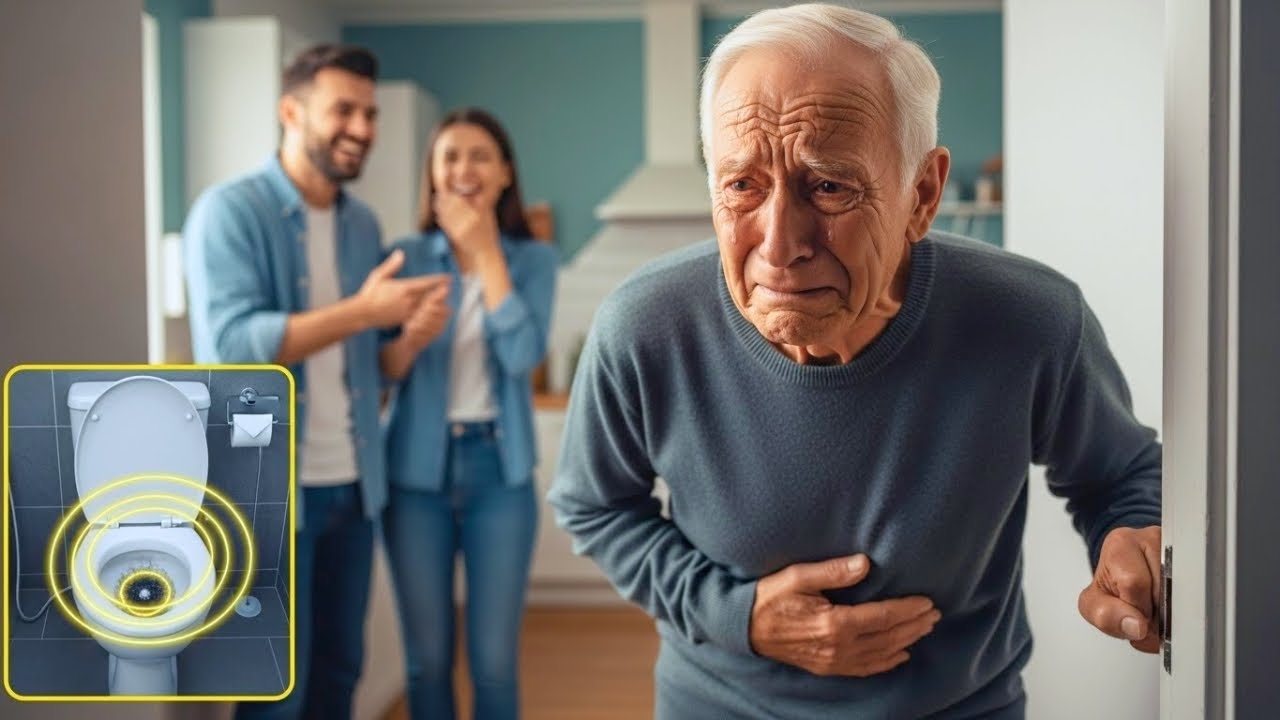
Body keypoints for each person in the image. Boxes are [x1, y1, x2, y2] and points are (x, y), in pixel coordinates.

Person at [547, 4, 1163, 719]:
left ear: (922, 194)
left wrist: (1130, 540)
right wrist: (736, 615)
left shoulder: (1030, 319)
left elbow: (1119, 476)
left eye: (829, 186)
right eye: (742, 186)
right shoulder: (643, 325)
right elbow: (593, 505)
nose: (779, 246)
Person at [184, 44, 444, 719]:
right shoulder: (228, 212)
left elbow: (373, 368)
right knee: (276, 691)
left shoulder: (362, 225)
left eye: (371, 113)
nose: (363, 128)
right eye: (344, 110)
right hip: (269, 493)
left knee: (339, 673)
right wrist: (364, 311)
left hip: (355, 487)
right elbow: (235, 349)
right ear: (291, 111)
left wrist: (408, 334)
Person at [378, 107, 558, 720]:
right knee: (426, 660)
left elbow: (523, 356)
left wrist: (486, 254)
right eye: (450, 155)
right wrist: (407, 342)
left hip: (499, 476)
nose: (464, 168)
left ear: (505, 173)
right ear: (431, 175)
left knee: (494, 662)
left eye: (480, 155)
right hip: (414, 477)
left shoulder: (532, 262)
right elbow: (382, 371)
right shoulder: (404, 258)